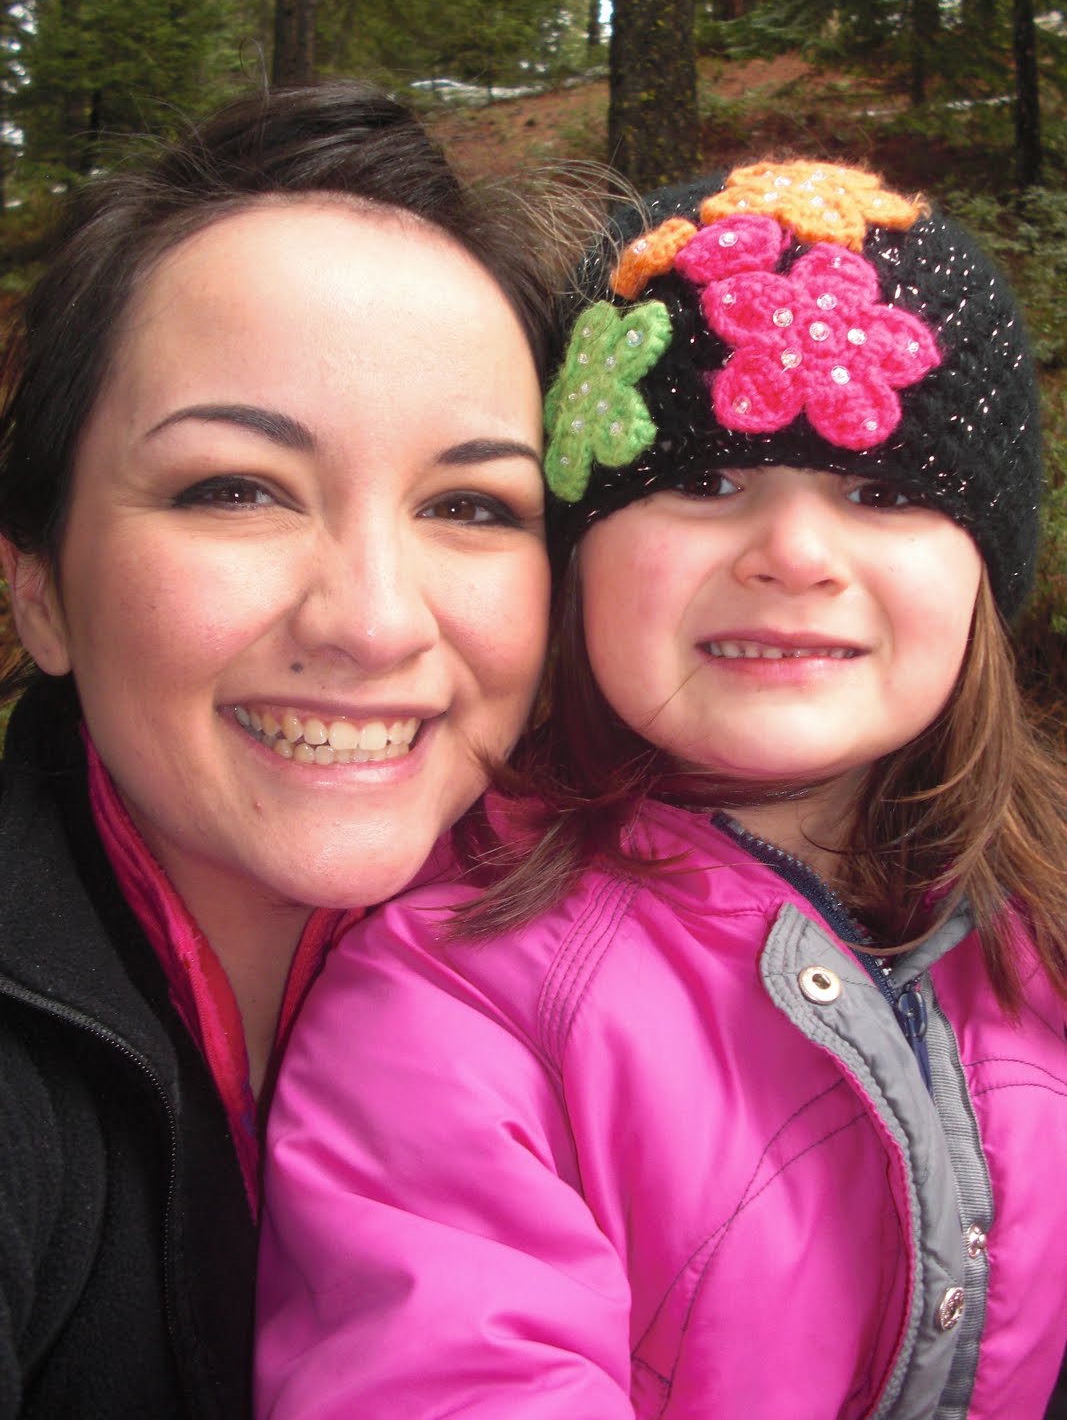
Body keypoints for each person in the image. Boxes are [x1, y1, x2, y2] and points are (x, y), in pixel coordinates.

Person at [257, 159, 1067, 1419]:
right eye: (705, 482)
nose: (794, 555)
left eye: (881, 492)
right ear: (570, 563)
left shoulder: (1033, 935)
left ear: (984, 575)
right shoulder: (452, 1001)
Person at [0, 79, 574, 1416]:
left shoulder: (623, 974)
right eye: (235, 489)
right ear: (39, 589)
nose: (372, 621)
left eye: (471, 504)